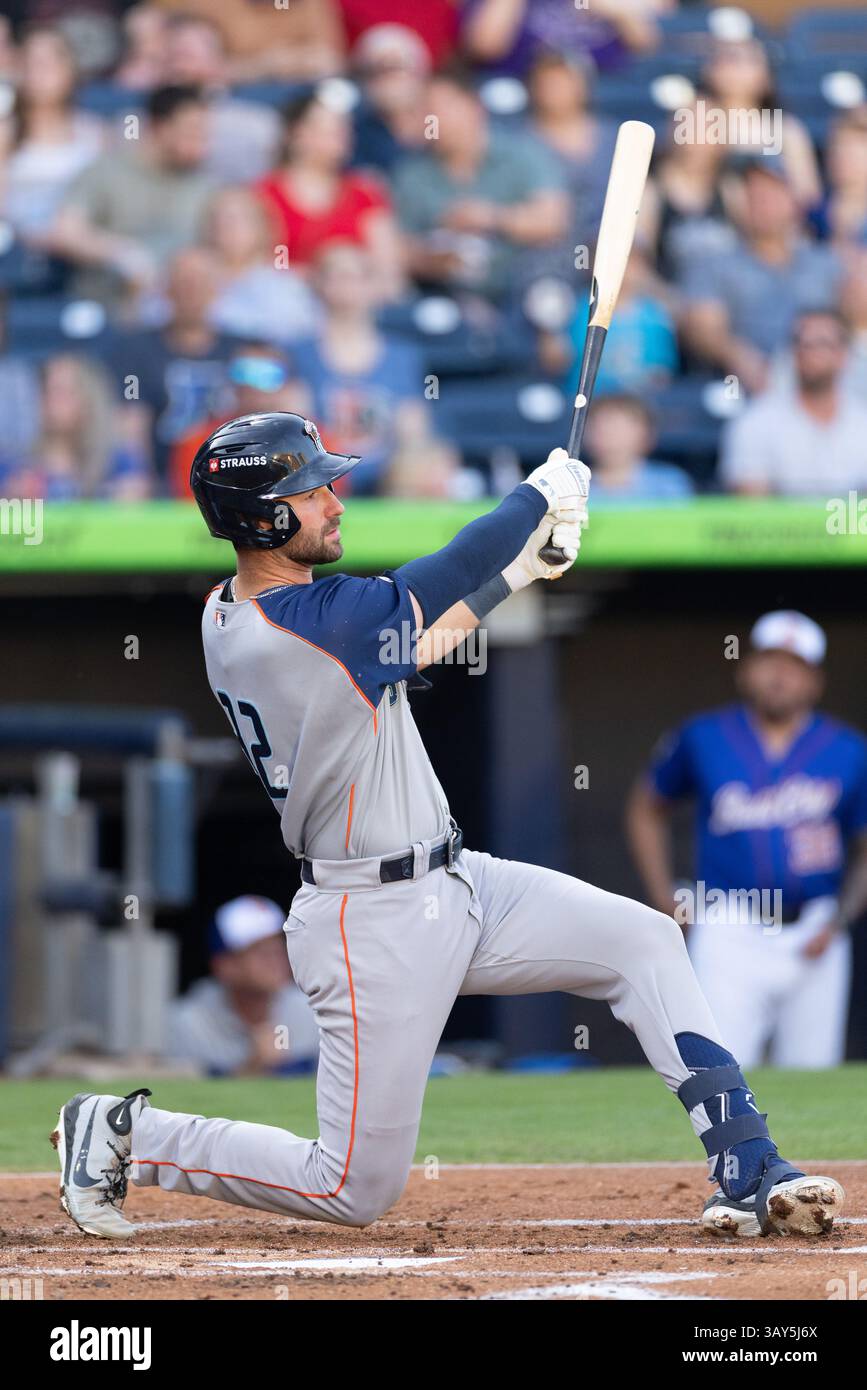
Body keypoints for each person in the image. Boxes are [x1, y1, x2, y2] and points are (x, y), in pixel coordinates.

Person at [51, 414, 845, 1243]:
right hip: (372, 921)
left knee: (643, 940)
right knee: (353, 1187)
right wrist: (535, 496)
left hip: (460, 883)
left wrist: (522, 574)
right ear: (260, 517)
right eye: (309, 490)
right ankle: (126, 1136)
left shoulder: (248, 611)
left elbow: (412, 640)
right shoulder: (306, 621)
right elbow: (439, 577)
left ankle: (748, 1167)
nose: (333, 501)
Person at [626, 611, 867, 1069]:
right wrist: (662, 896)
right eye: (770, 660)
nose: (780, 675)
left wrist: (840, 920)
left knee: (813, 1074)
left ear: (814, 681)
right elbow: (646, 807)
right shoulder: (705, 736)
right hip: (730, 924)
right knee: (718, 1068)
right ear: (746, 668)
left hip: (815, 925)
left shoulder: (848, 749)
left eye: (794, 665)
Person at [392, 67, 567, 303]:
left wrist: (491, 218)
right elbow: (398, 248)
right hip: (444, 295)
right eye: (424, 112)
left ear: (474, 107)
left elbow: (553, 220)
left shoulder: (523, 153)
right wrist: (431, 258)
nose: (432, 121)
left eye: (439, 110)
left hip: (521, 289)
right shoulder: (412, 173)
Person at [681, 159, 844, 395]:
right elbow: (702, 328)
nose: (763, 203)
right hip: (743, 386)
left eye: (773, 193)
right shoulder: (713, 262)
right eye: (754, 195)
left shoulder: (826, 262)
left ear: (793, 201)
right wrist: (738, 355)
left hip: (822, 380)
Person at [51, 84, 213, 310]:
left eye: (204, 134)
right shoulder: (107, 171)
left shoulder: (205, 186)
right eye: (192, 132)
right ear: (160, 127)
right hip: (109, 305)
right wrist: (121, 253)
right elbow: (65, 232)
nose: (202, 144)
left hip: (180, 314)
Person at [294, 240, 434, 495]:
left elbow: (413, 429)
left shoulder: (403, 356)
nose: (345, 285)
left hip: (389, 477)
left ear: (372, 286)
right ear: (318, 285)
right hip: (321, 473)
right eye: (335, 276)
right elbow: (294, 430)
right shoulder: (298, 353)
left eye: (354, 276)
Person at [256, 90, 404, 300]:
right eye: (329, 128)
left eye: (343, 127)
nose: (342, 134)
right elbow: (256, 270)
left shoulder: (365, 193)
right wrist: (322, 280)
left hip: (356, 310)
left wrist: (347, 289)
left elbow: (390, 277)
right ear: (295, 134)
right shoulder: (264, 196)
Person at [118, 247, 238, 487]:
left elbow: (272, 408)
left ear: (217, 289)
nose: (192, 293)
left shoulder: (244, 350)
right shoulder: (136, 351)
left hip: (236, 478)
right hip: (164, 482)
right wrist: (137, 475)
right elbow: (131, 424)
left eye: (200, 283)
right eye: (183, 283)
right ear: (166, 290)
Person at [720, 309, 867, 497]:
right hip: (779, 527)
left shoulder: (863, 421)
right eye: (802, 343)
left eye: (823, 343)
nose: (810, 353)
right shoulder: (755, 422)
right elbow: (751, 508)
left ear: (844, 355)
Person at [168, 896, 320, 1076]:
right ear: (223, 965)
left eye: (278, 946)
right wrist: (252, 1067)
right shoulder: (189, 1024)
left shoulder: (314, 1011)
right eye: (259, 950)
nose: (276, 958)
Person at [0, 25, 105, 244]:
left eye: (51, 62)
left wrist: (130, 127)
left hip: (85, 248)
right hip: (19, 255)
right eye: (31, 62)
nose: (39, 72)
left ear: (71, 69)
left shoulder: (96, 132)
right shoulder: (5, 133)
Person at [0, 354, 151, 500]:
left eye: (61, 392)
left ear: (89, 400)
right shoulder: (15, 468)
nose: (49, 399)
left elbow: (134, 511)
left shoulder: (120, 462)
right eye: (45, 389)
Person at [698, 36, 821, 210]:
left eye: (746, 59)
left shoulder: (786, 129)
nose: (733, 66)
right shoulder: (696, 124)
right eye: (726, 57)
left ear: (766, 77)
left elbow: (807, 194)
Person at [161, 13, 281, 183]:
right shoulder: (139, 122)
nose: (179, 67)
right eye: (172, 58)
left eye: (187, 55)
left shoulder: (259, 126)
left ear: (219, 60)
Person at [203, 186, 322, 346]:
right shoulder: (191, 281)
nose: (229, 227)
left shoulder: (286, 285)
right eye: (221, 219)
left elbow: (300, 333)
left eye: (241, 219)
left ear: (263, 228)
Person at [152, 0, 345, 81]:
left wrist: (284, 63)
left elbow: (331, 61)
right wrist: (264, 65)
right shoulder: (214, 6)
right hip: (231, 99)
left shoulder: (311, 5)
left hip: (301, 97)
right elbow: (204, 68)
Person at [460, 0, 660, 77]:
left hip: (599, 90)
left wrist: (614, 9)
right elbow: (484, 46)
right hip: (523, 88)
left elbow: (646, 44)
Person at [350, 22, 431, 175]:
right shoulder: (356, 131)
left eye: (395, 67)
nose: (387, 79)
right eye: (376, 70)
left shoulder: (435, 121)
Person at [581, 393, 693, 503]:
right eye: (597, 426)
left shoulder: (669, 483)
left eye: (617, 427)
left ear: (646, 434)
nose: (606, 433)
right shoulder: (573, 487)